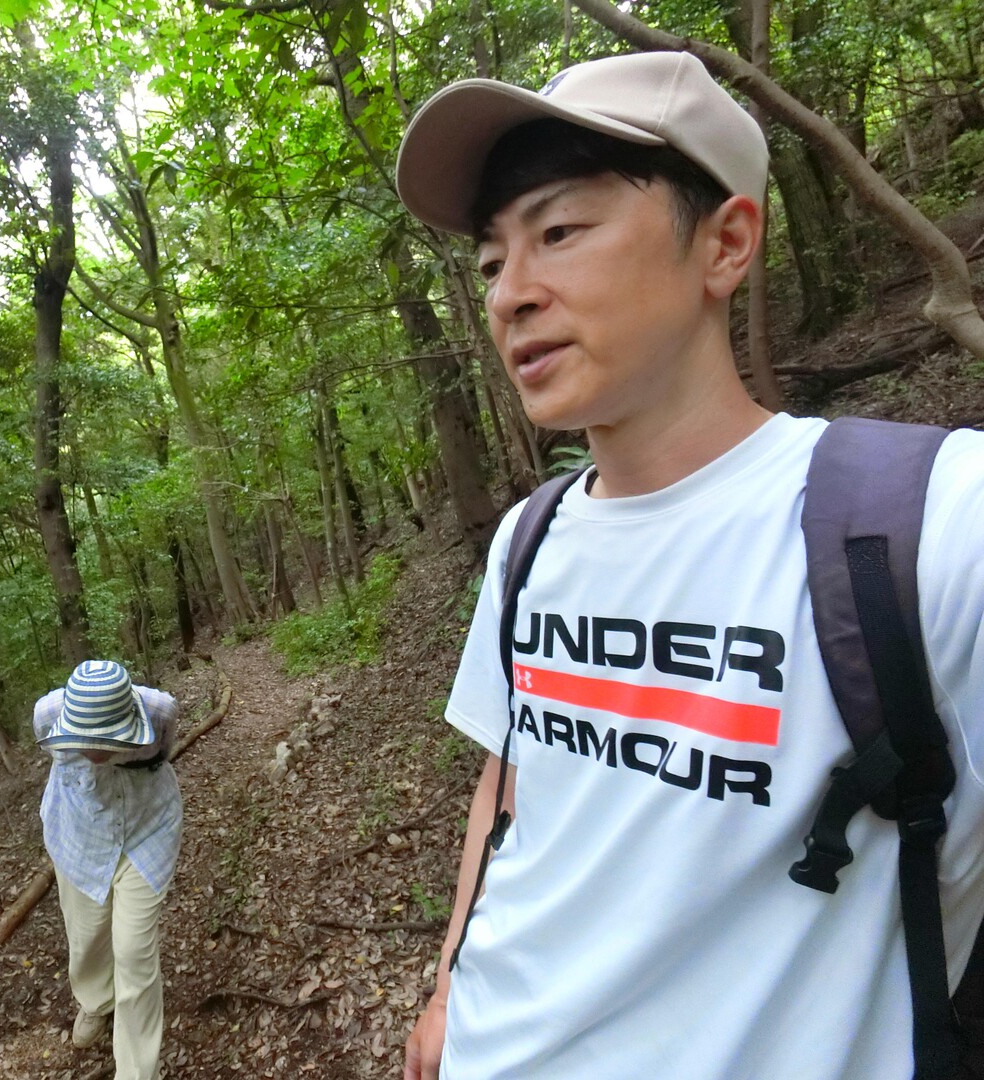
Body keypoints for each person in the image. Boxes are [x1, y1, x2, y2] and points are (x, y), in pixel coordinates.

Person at [393, 51, 984, 1080]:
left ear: (725, 243)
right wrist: (449, 988)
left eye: (559, 232)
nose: (510, 295)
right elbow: (515, 773)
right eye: (490, 263)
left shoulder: (931, 524)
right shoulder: (530, 537)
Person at [34, 659, 182, 1080]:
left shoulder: (158, 712)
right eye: (85, 739)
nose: (95, 750)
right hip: (78, 829)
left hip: (147, 828)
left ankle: (138, 1072)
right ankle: (96, 1000)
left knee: (134, 950)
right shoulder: (46, 715)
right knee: (87, 933)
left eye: (107, 739)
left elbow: (164, 751)